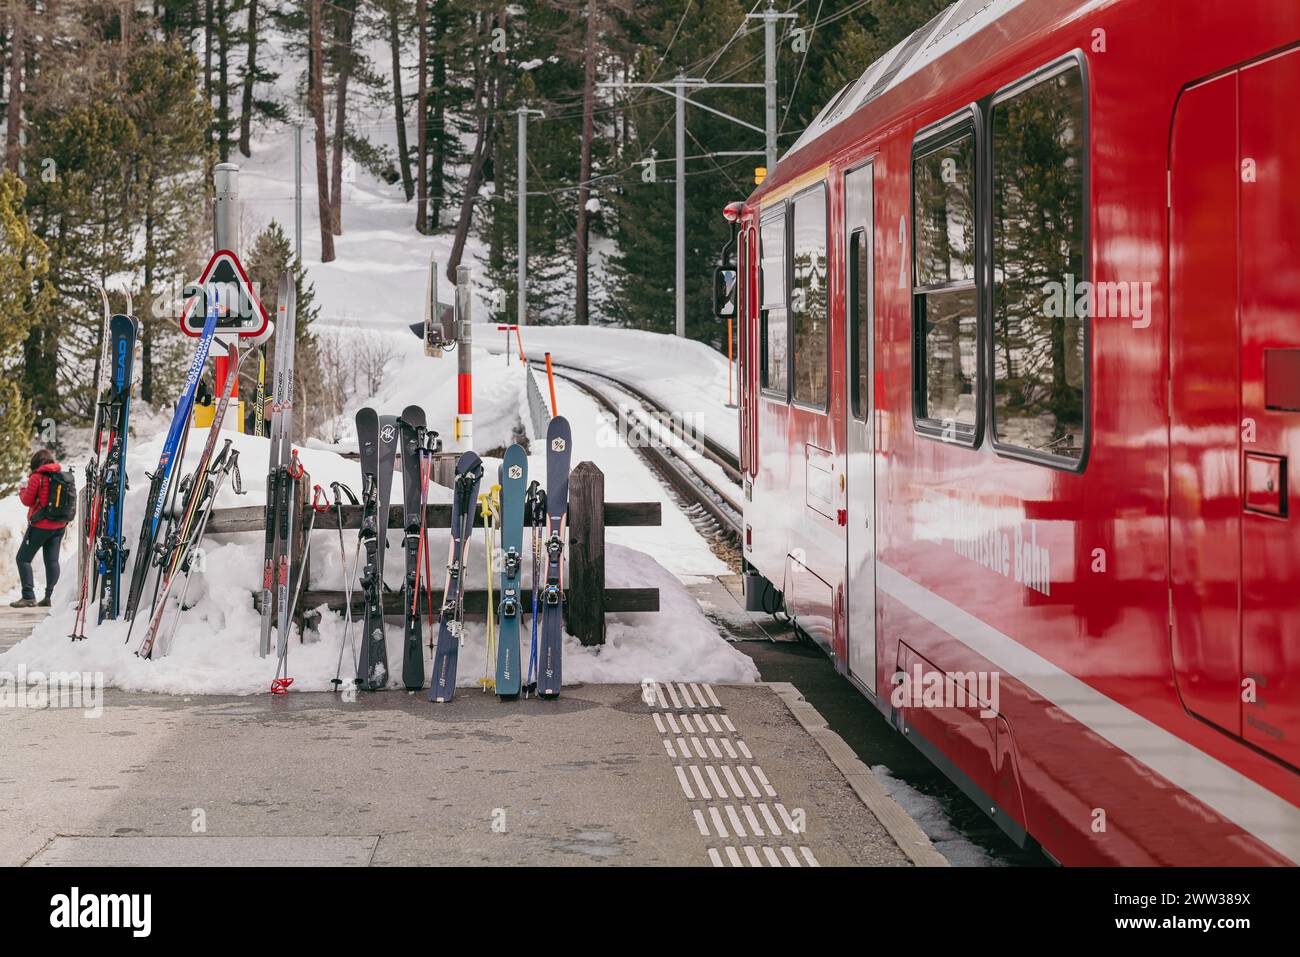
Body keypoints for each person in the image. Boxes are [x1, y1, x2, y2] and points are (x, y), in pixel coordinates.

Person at [11, 449, 70, 608]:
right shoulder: (61, 476)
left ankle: (28, 596)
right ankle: (51, 596)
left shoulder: (37, 477)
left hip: (40, 525)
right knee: (52, 561)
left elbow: (28, 501)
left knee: (22, 559)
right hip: (59, 525)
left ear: (35, 464)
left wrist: (22, 490)